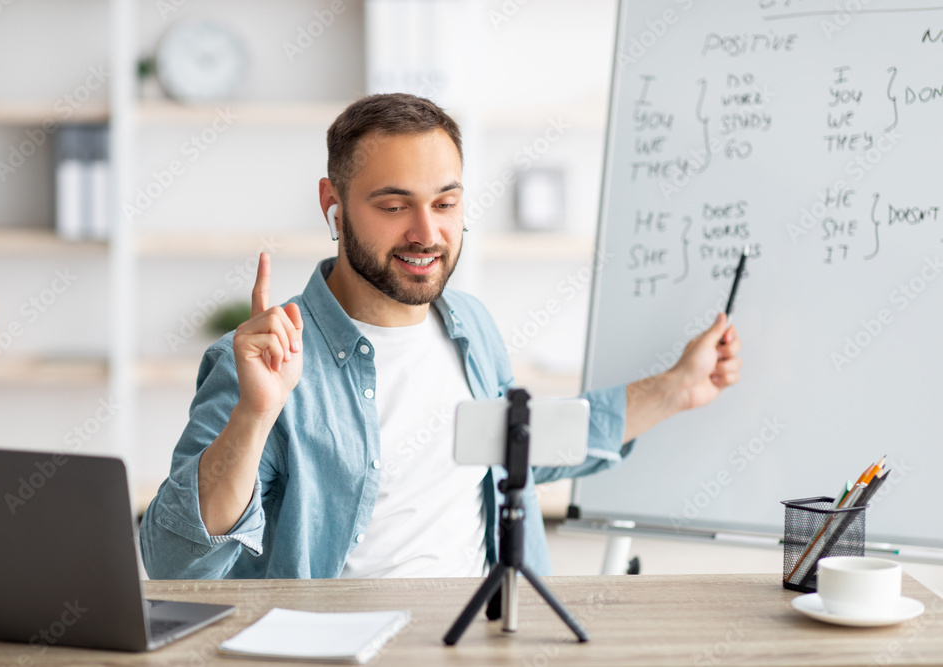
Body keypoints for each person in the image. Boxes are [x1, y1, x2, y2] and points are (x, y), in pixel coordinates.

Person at [139, 93, 742, 580]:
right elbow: (173, 563)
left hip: (479, 637)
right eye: (394, 206)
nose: (426, 233)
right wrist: (254, 414)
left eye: (445, 203)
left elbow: (522, 447)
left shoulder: (470, 324)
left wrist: (675, 388)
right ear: (334, 204)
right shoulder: (265, 361)